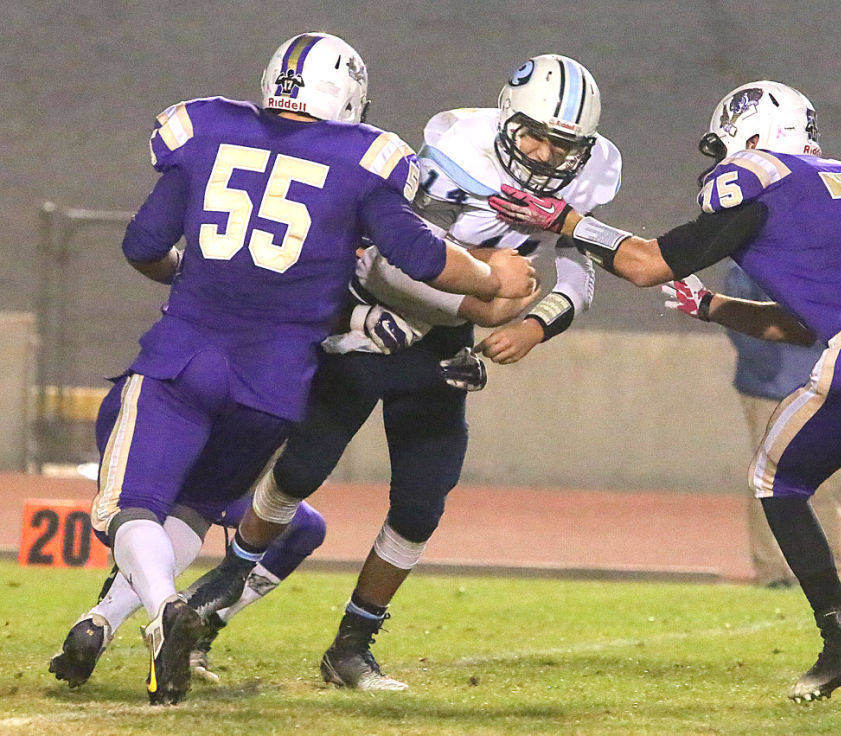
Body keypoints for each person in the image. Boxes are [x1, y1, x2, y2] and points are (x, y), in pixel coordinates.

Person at [489, 80, 841, 709]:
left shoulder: (757, 175)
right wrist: (716, 306)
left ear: (750, 135)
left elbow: (644, 264)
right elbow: (803, 322)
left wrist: (567, 221)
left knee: (777, 480)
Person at [81, 31, 535, 705]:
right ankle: (135, 620)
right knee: (201, 507)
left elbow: (143, 244)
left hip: (187, 353)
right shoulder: (365, 157)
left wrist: (188, 272)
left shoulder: (203, 128)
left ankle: (162, 609)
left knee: (130, 503)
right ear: (347, 95)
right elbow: (420, 255)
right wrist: (489, 275)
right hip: (273, 383)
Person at [186, 54, 621, 692]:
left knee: (421, 500)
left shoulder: (589, 175)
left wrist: (529, 327)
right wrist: (473, 280)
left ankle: (352, 647)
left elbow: (580, 272)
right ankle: (210, 606)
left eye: (564, 147)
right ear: (505, 118)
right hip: (377, 314)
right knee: (301, 470)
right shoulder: (451, 148)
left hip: (443, 336)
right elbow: (382, 239)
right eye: (536, 137)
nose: (548, 157)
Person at [50, 373, 327, 688]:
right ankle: (166, 621)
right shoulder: (290, 346)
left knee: (148, 513)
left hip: (163, 397)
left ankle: (117, 622)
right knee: (179, 509)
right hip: (190, 411)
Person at [721, 262, 841, 588]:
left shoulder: (830, 253)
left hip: (823, 382)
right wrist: (767, 369)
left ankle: (831, 570)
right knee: (770, 480)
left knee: (829, 480)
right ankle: (772, 572)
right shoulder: (750, 260)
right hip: (770, 388)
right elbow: (738, 316)